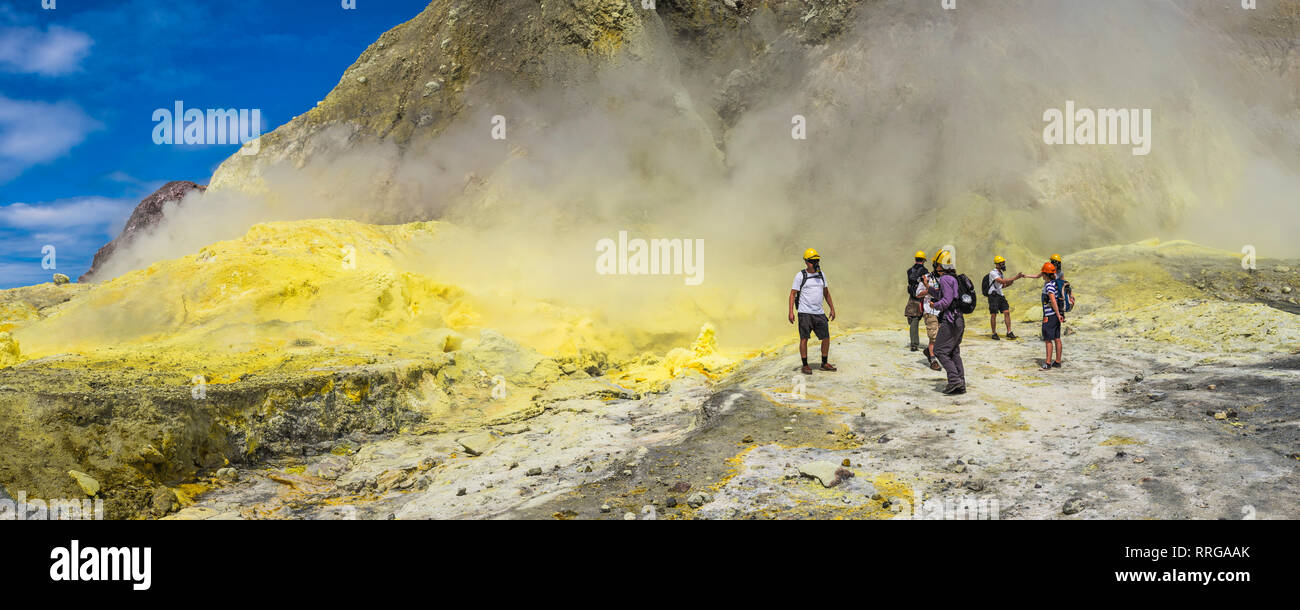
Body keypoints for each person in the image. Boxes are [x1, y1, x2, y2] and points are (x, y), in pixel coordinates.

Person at [789, 248, 837, 375]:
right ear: (806, 262)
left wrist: (832, 308)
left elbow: (826, 293)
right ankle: (805, 365)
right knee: (804, 338)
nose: (815, 263)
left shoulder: (821, 275)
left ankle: (824, 363)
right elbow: (793, 294)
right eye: (812, 261)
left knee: (826, 338)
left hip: (819, 312)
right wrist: (791, 312)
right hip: (805, 313)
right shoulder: (800, 276)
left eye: (817, 260)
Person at [929, 249, 966, 394]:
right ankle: (960, 383)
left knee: (939, 350)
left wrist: (935, 305)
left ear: (940, 265)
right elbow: (944, 294)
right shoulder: (954, 278)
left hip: (950, 320)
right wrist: (929, 289)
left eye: (936, 264)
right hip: (959, 320)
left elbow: (946, 300)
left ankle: (954, 380)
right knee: (954, 352)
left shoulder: (944, 279)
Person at [913, 258, 943, 371]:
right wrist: (929, 289)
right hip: (930, 311)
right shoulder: (927, 278)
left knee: (942, 336)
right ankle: (933, 360)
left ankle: (929, 351)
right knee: (934, 337)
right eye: (940, 267)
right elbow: (918, 294)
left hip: (942, 311)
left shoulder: (946, 278)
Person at [986, 255, 1024, 340]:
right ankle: (994, 333)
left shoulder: (1000, 273)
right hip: (993, 296)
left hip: (1000, 295)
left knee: (1006, 312)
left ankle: (1009, 332)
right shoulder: (993, 273)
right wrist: (1016, 277)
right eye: (1002, 263)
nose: (1004, 264)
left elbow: (1001, 286)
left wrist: (1008, 284)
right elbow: (1001, 281)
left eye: (1004, 263)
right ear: (997, 264)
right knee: (993, 314)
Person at [1039, 262, 1065, 370]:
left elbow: (1053, 300)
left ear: (1045, 274)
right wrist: (1059, 315)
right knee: (1057, 338)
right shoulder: (1055, 283)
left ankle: (1048, 363)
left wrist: (1057, 314)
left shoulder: (1049, 285)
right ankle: (1057, 362)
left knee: (1048, 339)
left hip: (1050, 315)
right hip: (1056, 316)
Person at [904, 251, 928, 352]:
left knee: (913, 319)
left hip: (912, 298)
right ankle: (934, 342)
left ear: (915, 259)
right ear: (923, 260)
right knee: (930, 318)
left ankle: (914, 343)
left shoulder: (909, 271)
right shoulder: (925, 271)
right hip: (922, 297)